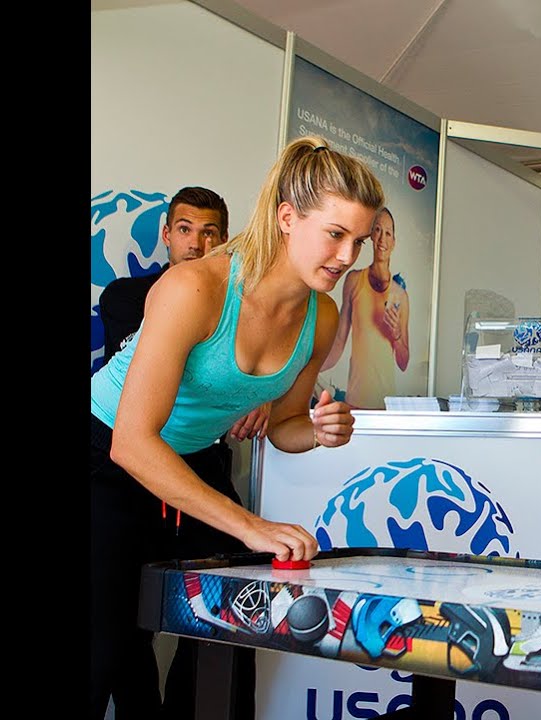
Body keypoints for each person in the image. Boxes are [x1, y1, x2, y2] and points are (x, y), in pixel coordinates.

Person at [90, 136, 384, 719]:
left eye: (361, 240)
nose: (348, 255)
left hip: (192, 456)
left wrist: (322, 430)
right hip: (107, 451)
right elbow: (133, 441)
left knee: (238, 620)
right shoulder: (195, 288)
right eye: (335, 234)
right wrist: (251, 526)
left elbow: (285, 427)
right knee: (106, 643)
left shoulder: (321, 315)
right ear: (286, 218)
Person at [95, 185, 270, 718]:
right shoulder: (130, 297)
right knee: (114, 621)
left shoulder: (242, 308)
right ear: (167, 235)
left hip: (198, 460)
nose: (196, 243)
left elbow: (244, 371)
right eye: (186, 230)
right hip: (120, 459)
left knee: (239, 594)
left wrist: (263, 398)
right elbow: (167, 374)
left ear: (225, 240)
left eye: (210, 233)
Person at [321, 205, 411, 409]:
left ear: (393, 242)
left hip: (385, 405)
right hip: (354, 401)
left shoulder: (401, 296)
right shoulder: (354, 280)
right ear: (370, 235)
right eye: (377, 230)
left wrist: (396, 334)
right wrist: (309, 371)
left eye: (388, 233)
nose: (382, 238)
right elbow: (339, 341)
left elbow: (403, 362)